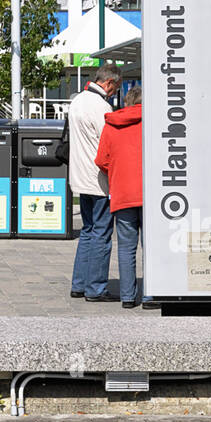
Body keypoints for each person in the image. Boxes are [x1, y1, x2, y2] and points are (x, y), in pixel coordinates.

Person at [67, 63, 122, 301]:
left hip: (79, 176)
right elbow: (109, 144)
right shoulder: (101, 107)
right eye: (115, 88)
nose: (115, 92)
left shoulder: (77, 101)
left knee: (88, 231)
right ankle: (96, 288)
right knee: (101, 233)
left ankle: (79, 284)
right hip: (98, 180)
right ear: (108, 83)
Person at [95, 85, 151, 308]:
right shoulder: (154, 122)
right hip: (150, 194)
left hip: (122, 192)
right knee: (151, 247)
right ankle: (150, 295)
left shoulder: (112, 123)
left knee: (126, 248)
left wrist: (117, 169)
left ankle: (128, 297)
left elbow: (101, 160)